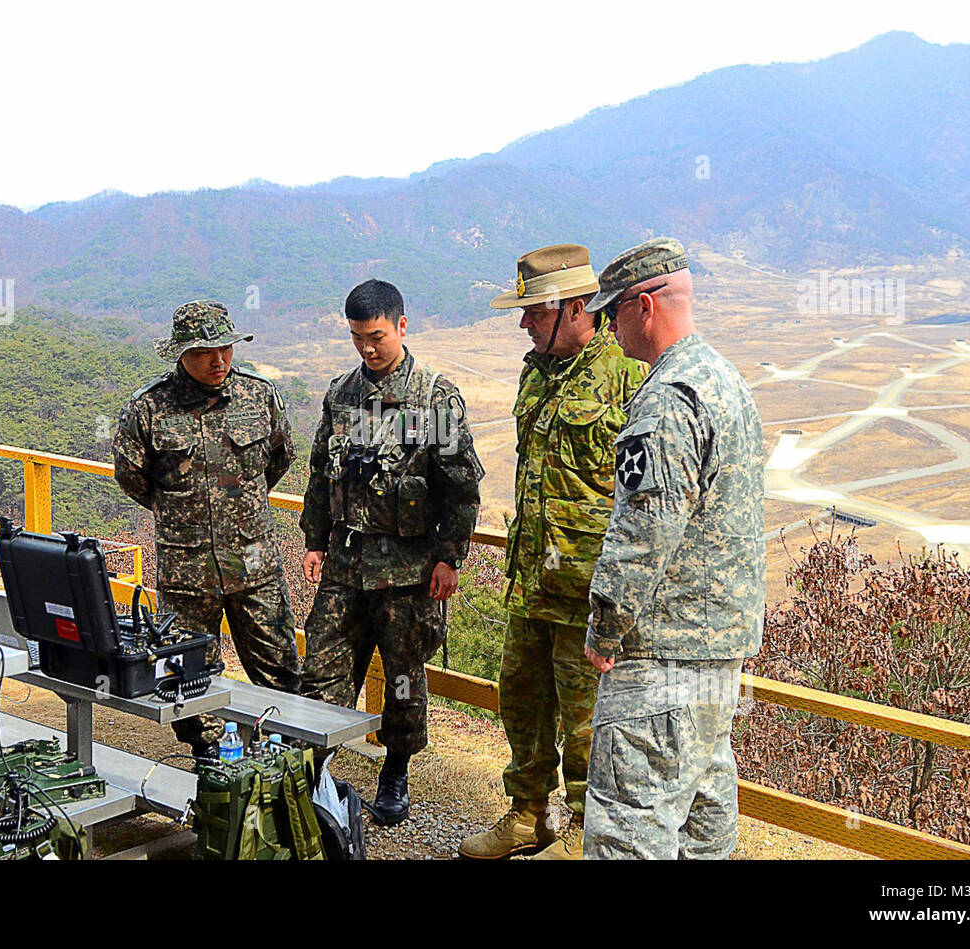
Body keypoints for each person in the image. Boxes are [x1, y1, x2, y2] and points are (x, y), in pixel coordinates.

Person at [458, 244, 648, 861]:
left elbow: (646, 495)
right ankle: (528, 815)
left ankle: (588, 837)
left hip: (590, 594)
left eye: (534, 312)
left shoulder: (628, 372)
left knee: (588, 724)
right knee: (519, 698)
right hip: (532, 580)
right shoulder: (534, 372)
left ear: (575, 308)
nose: (523, 324)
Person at [580, 238, 766, 859]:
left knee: (630, 826)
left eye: (610, 314)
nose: (607, 329)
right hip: (719, 652)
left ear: (643, 307)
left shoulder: (666, 401)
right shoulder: (724, 380)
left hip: (661, 654)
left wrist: (604, 629)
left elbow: (643, 533)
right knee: (702, 817)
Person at [299, 278, 484, 824]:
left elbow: (461, 486)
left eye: (376, 336)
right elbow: (319, 472)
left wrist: (451, 556)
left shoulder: (434, 398)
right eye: (357, 338)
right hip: (346, 564)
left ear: (401, 326)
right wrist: (314, 539)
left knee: (403, 679)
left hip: (408, 571)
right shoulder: (342, 394)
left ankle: (395, 770)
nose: (367, 348)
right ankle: (315, 774)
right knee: (322, 671)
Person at [114, 300, 301, 760]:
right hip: (186, 569)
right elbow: (132, 476)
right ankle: (211, 759)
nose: (218, 361)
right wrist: (186, 513)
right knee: (191, 674)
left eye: (225, 349)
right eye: (204, 352)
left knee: (279, 667)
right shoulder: (149, 409)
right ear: (180, 353)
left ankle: (283, 756)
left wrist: (239, 510)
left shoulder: (261, 397)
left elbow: (279, 458)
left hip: (254, 564)